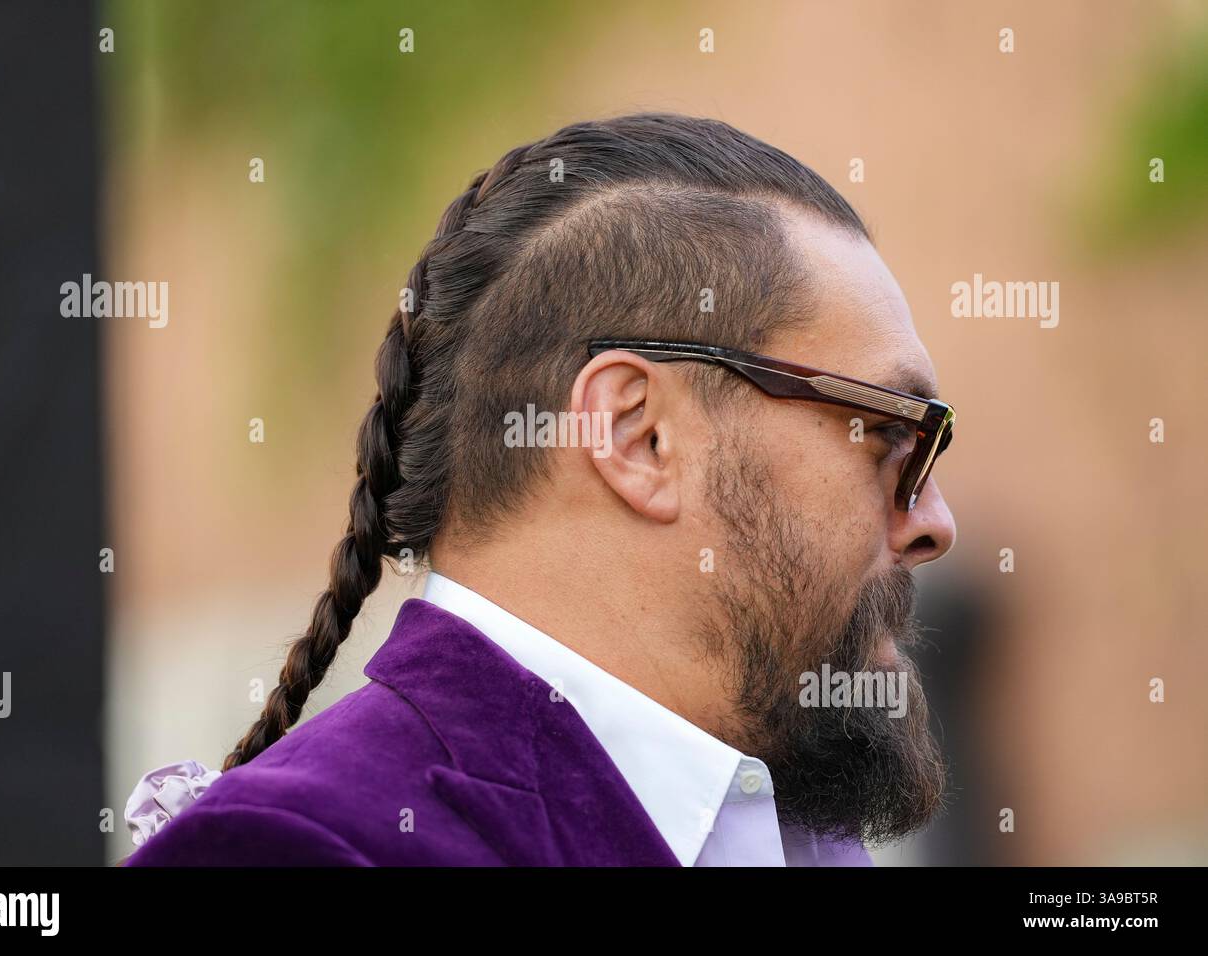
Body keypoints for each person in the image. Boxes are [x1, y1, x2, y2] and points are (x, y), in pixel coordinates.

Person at [125, 112, 957, 867]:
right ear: (638, 435)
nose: (934, 522)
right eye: (888, 431)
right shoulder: (295, 852)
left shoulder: (790, 837)